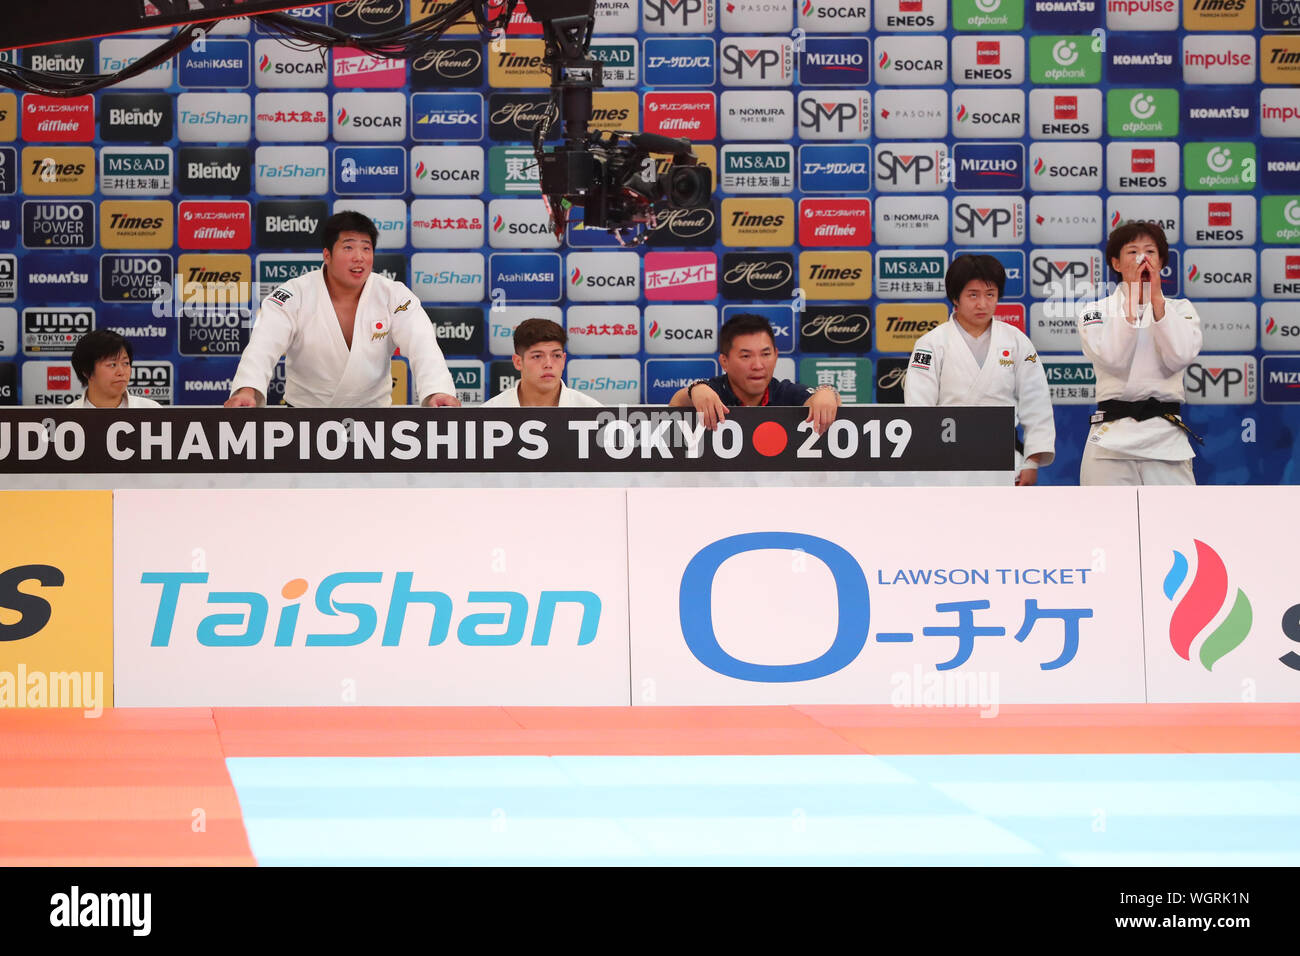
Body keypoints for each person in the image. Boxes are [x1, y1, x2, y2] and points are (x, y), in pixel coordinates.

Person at [225, 210, 459, 408]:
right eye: (348, 248)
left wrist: (435, 391)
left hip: (375, 424)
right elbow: (262, 346)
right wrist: (247, 390)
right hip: (301, 421)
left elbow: (423, 346)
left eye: (366, 249)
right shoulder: (294, 294)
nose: (359, 257)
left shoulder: (394, 295)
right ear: (327, 254)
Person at [904, 254, 1054, 485]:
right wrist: (926, 462)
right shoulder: (931, 343)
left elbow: (1036, 403)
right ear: (956, 297)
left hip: (1004, 459)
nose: (982, 304)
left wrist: (1031, 462)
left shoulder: (1015, 341)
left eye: (990, 295)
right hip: (946, 460)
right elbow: (919, 408)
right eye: (973, 295)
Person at [1078, 220, 1203, 486]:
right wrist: (1132, 301)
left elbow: (1180, 357)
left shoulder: (1181, 309)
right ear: (1116, 263)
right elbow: (1112, 358)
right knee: (1106, 525)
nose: (1142, 259)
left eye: (1150, 252)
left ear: (1160, 262)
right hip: (1110, 440)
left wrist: (1156, 301)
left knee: (1173, 525)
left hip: (1166, 439)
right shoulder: (1094, 311)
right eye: (1132, 252)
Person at [669, 312, 840, 433]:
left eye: (765, 354)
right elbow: (678, 401)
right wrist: (696, 389)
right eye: (746, 356)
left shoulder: (784, 392)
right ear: (724, 362)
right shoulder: (714, 390)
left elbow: (819, 399)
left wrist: (827, 393)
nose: (758, 365)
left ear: (776, 355)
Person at [482, 318, 602, 408]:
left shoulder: (592, 412)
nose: (548, 364)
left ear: (564, 360)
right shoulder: (487, 414)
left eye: (556, 356)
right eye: (537, 356)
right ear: (518, 362)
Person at [67, 329, 160, 408]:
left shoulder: (151, 410)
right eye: (112, 365)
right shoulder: (66, 417)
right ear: (86, 372)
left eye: (126, 363)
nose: (121, 372)